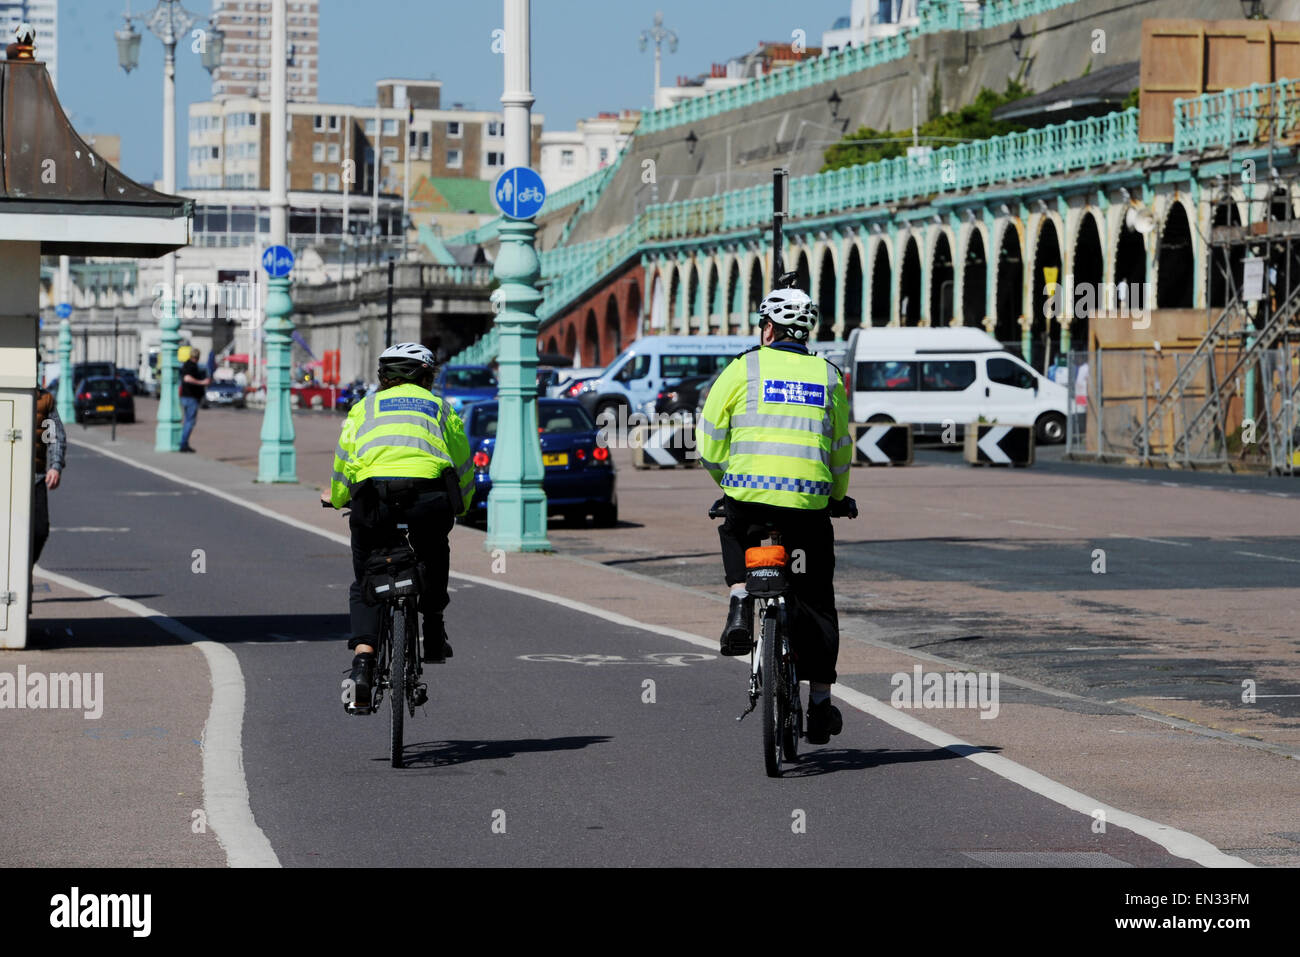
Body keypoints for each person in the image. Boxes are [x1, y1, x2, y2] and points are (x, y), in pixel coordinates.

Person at [697, 288, 856, 745]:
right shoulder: (828, 376)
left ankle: (740, 601)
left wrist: (728, 483)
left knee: (733, 531)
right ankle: (820, 705)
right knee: (816, 598)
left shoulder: (742, 368)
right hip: (807, 509)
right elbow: (841, 448)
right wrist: (838, 497)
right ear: (806, 332)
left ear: (767, 327)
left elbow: (708, 439)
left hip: (749, 501)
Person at [322, 343, 474, 711]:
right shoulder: (441, 409)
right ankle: (434, 631)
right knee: (435, 550)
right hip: (429, 499)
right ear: (427, 377)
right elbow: (462, 462)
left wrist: (339, 497)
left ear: (383, 378)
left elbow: (345, 460)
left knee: (366, 579)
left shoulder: (364, 408)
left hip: (374, 500)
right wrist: (464, 505)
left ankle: (362, 662)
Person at [31, 379, 66, 575]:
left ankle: (24, 568)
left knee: (40, 530)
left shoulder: (45, 399)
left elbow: (54, 436)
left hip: (35, 477)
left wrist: (55, 466)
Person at [178, 346, 210, 453]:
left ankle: (184, 443)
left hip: (186, 396)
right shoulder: (191, 366)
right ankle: (183, 443)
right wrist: (202, 382)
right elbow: (187, 378)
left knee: (188, 420)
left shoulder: (187, 364)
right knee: (190, 421)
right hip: (190, 397)